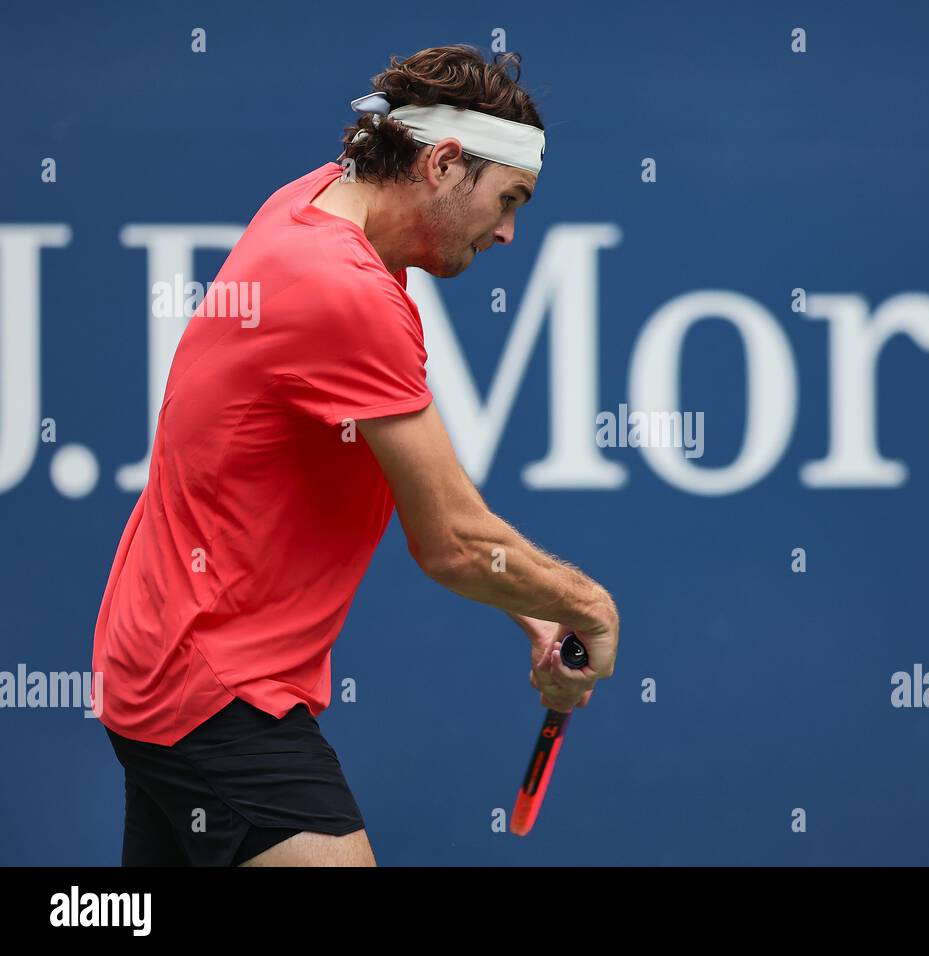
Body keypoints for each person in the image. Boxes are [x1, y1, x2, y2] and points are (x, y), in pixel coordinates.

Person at [90, 44, 619, 867]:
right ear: (443, 163)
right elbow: (449, 541)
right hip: (214, 690)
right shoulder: (343, 289)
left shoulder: (317, 205)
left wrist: (531, 605)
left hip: (156, 657)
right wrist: (588, 604)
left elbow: (408, 490)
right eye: (509, 199)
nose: (511, 232)